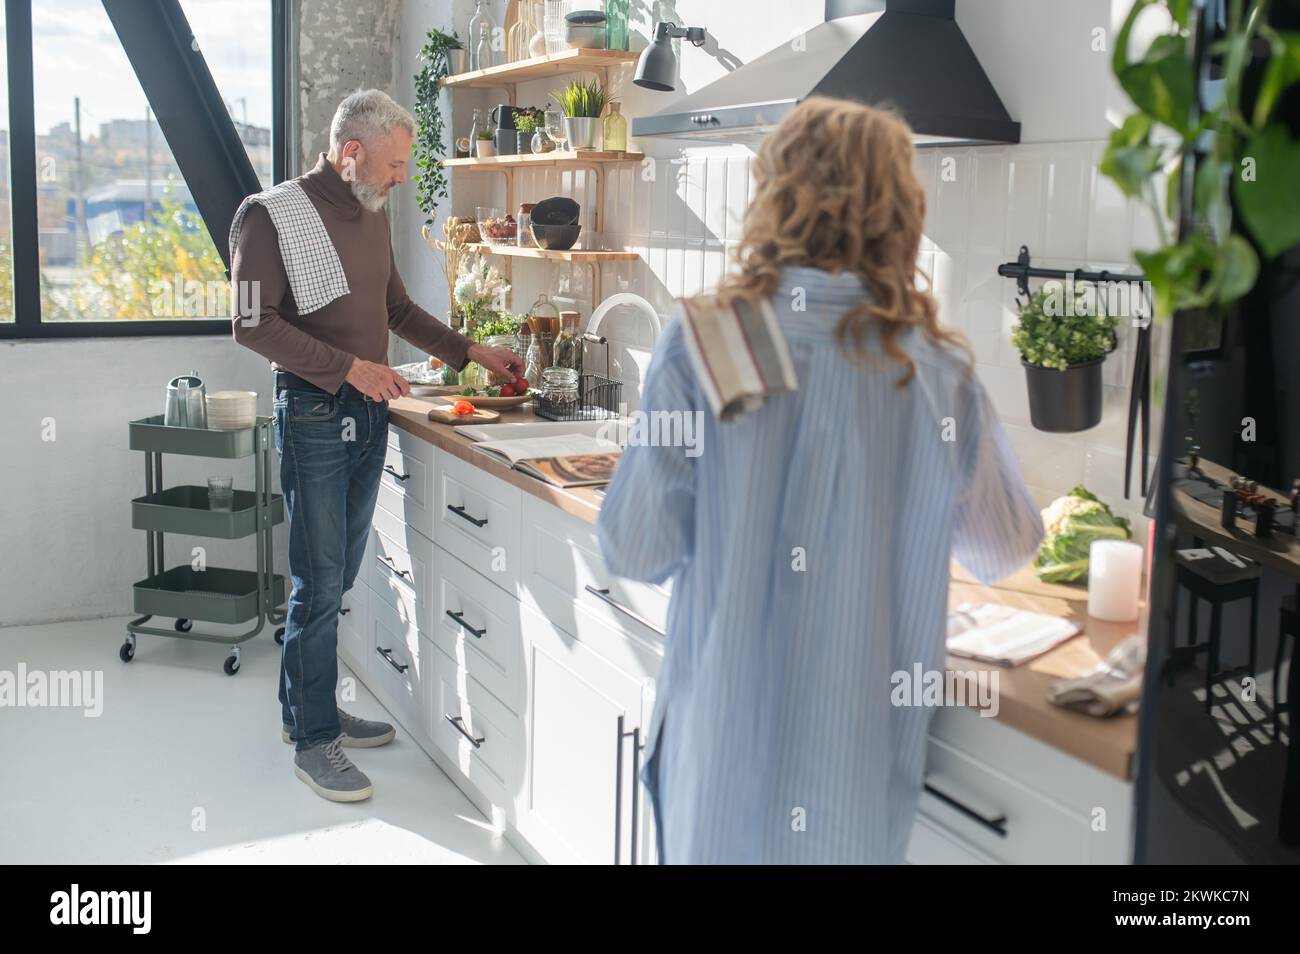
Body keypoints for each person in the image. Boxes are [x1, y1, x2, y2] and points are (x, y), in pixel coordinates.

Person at [595, 97, 1044, 863]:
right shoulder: (938, 372)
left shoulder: (709, 339)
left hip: (717, 773)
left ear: (776, 198)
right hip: (857, 796)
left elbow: (634, 549)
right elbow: (1005, 549)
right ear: (899, 212)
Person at [232, 89, 522, 802]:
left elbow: (394, 310)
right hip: (313, 413)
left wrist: (472, 352)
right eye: (395, 164)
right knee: (318, 581)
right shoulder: (271, 215)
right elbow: (248, 324)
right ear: (352, 150)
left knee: (336, 577)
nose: (402, 178)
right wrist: (349, 368)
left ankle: (308, 711)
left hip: (367, 417)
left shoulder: (368, 211)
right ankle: (313, 741)